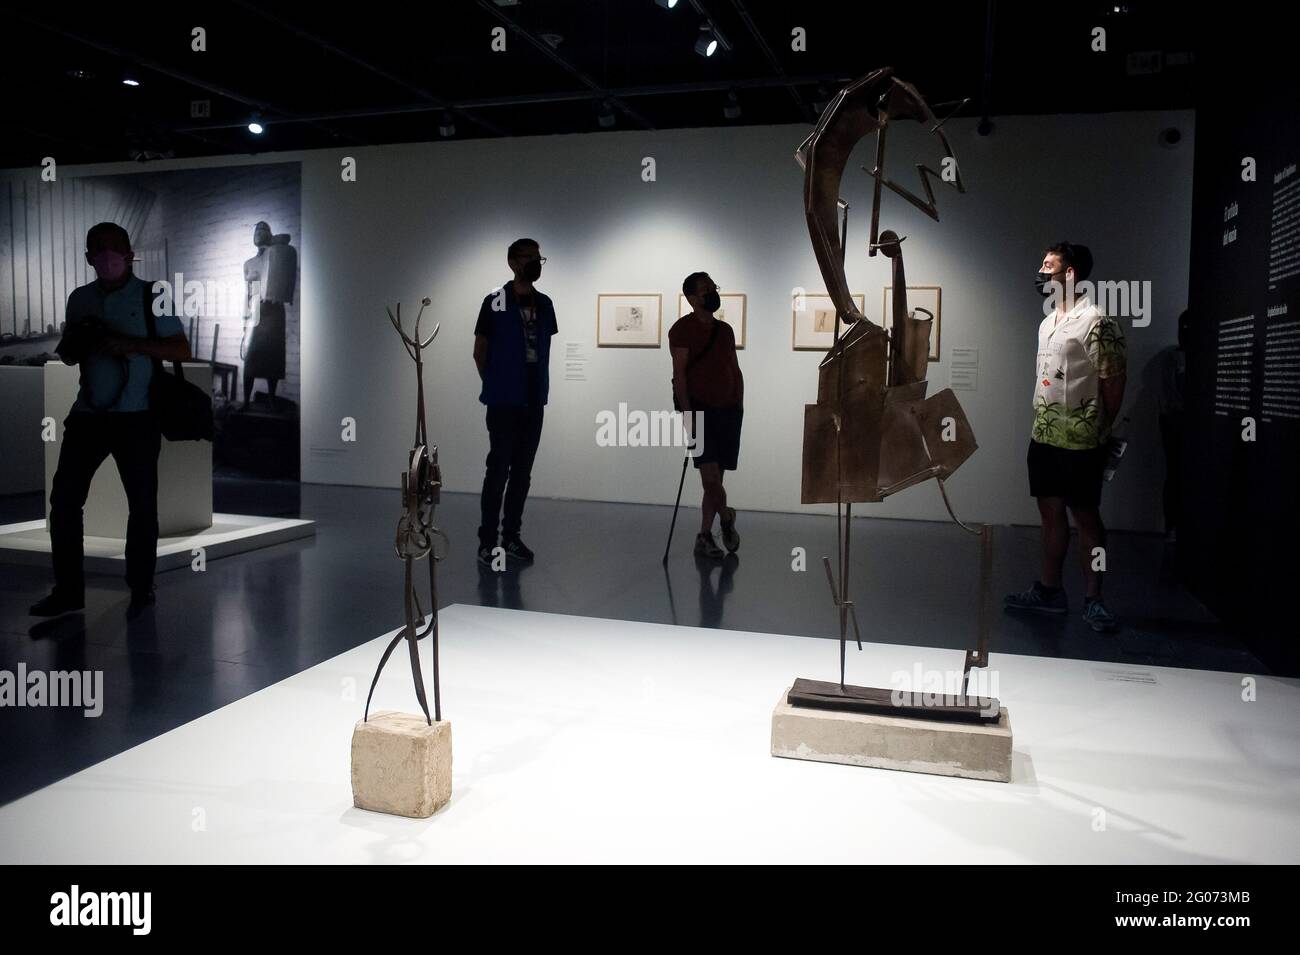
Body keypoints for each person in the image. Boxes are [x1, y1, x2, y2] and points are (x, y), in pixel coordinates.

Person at [30, 222, 191, 620]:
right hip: (88, 415)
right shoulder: (79, 298)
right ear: (88, 258)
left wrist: (129, 344)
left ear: (130, 253)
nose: (106, 256)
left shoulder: (155, 294)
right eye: (97, 250)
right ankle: (68, 590)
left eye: (113, 248)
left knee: (141, 505)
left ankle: (141, 587)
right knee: (64, 501)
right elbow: (69, 355)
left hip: (137, 417)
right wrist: (81, 339)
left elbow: (181, 348)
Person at [1005, 242, 1126, 632]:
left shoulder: (1097, 322)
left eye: (1048, 265)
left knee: (1087, 517)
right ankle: (1050, 590)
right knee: (1050, 513)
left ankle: (1095, 598)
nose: (1041, 272)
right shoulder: (1048, 322)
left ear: (1069, 272)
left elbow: (1113, 380)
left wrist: (1100, 426)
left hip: (1082, 441)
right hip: (1044, 436)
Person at [473, 238, 557, 566]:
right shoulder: (494, 302)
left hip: (534, 400)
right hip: (503, 401)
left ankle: (511, 537)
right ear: (512, 262)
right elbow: (480, 350)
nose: (535, 263)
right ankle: (487, 540)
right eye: (529, 258)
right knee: (498, 471)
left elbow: (540, 349)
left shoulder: (546, 303)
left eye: (539, 258)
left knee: (522, 473)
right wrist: (495, 384)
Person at [669, 272, 743, 559]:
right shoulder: (681, 330)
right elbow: (679, 375)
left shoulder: (724, 330)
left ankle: (703, 536)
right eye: (705, 290)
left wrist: (740, 402)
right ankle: (726, 518)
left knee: (717, 479)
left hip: (728, 410)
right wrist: (688, 413)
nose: (712, 292)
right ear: (691, 298)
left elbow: (734, 368)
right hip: (699, 410)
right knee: (709, 479)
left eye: (713, 287)